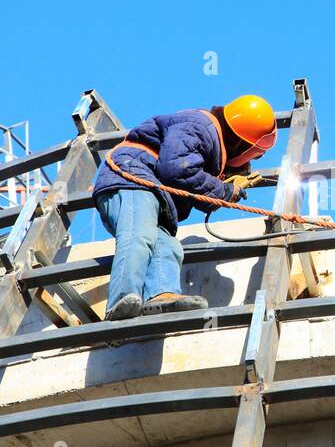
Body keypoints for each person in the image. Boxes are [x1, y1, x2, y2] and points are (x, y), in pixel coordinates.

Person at [92, 94, 276, 320]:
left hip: (155, 190)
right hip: (132, 179)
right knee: (138, 235)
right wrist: (224, 190)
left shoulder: (207, 137)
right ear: (242, 145)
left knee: (167, 246)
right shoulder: (202, 126)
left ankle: (160, 295)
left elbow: (185, 177)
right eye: (253, 156)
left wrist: (218, 185)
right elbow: (177, 169)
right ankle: (120, 301)